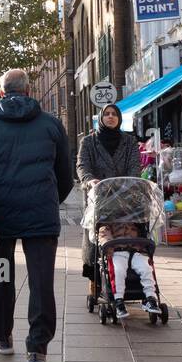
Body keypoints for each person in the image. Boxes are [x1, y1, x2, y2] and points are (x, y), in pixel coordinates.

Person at [0, 68, 74, 362]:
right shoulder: (52, 126)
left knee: (3, 276)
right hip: (41, 218)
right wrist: (48, 200)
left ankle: (3, 336)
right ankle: (37, 351)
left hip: (1, 222)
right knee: (41, 282)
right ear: (29, 92)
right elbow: (65, 177)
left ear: (1, 93)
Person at [76, 103, 140, 286]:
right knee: (97, 236)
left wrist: (130, 182)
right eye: (107, 114)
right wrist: (89, 180)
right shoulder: (88, 142)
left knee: (125, 233)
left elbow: (135, 165)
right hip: (99, 197)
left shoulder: (129, 141)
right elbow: (82, 165)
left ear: (119, 118)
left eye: (114, 114)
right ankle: (95, 278)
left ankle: (129, 271)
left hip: (124, 196)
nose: (110, 117)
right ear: (101, 118)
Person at [96, 220, 160, 318]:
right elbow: (104, 235)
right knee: (118, 270)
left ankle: (150, 298)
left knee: (146, 268)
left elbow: (142, 233)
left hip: (135, 251)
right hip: (117, 252)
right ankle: (118, 301)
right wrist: (108, 246)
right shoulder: (107, 223)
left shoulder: (135, 221)